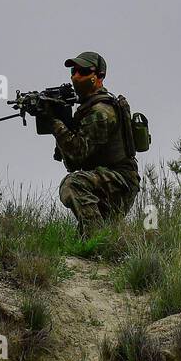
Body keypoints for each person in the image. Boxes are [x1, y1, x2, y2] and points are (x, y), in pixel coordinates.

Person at [47, 51, 141, 235]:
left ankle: (95, 239)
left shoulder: (101, 112)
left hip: (120, 181)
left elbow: (77, 153)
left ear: (98, 76)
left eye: (82, 71)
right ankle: (95, 242)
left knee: (73, 184)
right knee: (80, 237)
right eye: (73, 71)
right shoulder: (88, 109)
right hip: (106, 179)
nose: (75, 76)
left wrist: (55, 123)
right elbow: (73, 163)